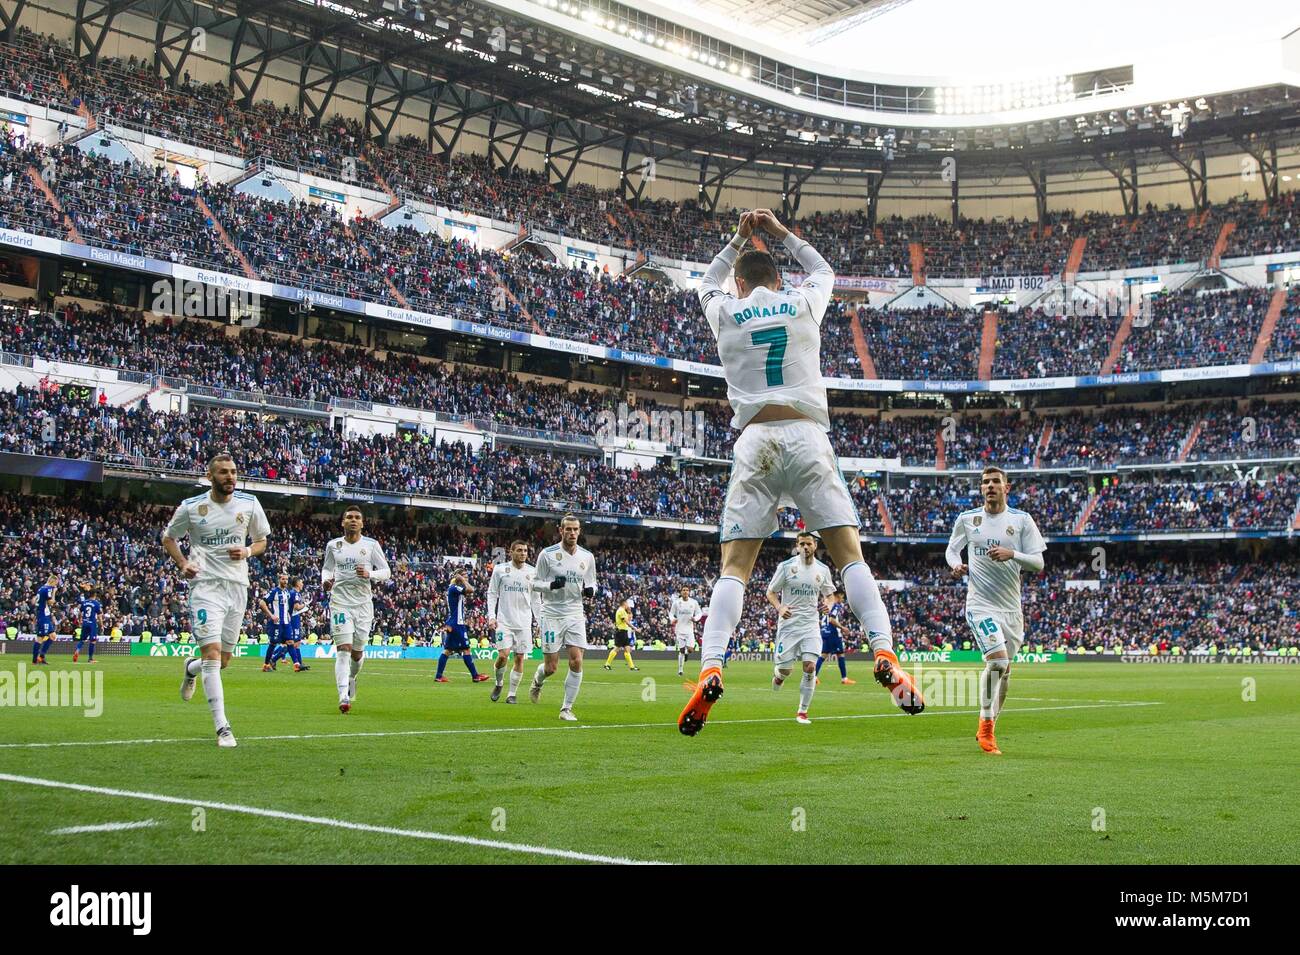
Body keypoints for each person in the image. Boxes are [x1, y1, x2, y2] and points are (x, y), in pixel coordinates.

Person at [678, 209, 923, 737]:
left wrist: (738, 238)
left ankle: (712, 667)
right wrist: (779, 231)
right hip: (807, 436)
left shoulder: (724, 310)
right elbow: (825, 269)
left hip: (756, 441)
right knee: (850, 556)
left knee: (735, 569)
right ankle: (884, 653)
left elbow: (705, 281)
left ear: (740, 283)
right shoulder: (803, 300)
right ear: (780, 279)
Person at [164, 452, 271, 748]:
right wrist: (183, 563)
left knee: (222, 661)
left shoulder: (250, 504)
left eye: (234, 472)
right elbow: (169, 537)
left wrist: (248, 551)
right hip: (205, 587)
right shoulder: (191, 507)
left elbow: (261, 540)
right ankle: (223, 728)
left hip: (237, 587)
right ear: (210, 476)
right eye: (223, 472)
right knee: (212, 655)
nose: (230, 477)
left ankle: (190, 668)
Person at [945, 466, 1047, 755]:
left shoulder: (1021, 520)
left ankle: (988, 726)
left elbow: (1038, 563)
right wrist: (955, 564)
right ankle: (986, 727)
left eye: (995, 482)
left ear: (1007, 487)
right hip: (980, 605)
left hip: (1011, 609)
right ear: (981, 488)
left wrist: (1011, 554)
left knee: (1005, 670)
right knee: (998, 663)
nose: (990, 486)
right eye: (985, 482)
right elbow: (952, 549)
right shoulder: (967, 519)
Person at [321, 505, 391, 713]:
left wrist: (370, 574)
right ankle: (344, 695)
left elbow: (386, 571)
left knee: (357, 653)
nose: (353, 520)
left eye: (357, 517)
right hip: (340, 602)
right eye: (349, 517)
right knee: (344, 649)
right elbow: (327, 568)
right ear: (342, 522)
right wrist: (326, 580)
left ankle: (351, 678)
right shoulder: (333, 545)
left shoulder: (371, 545)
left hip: (363, 605)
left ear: (362, 523)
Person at [528, 515, 597, 721]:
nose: (572, 533)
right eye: (568, 529)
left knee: (577, 661)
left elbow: (592, 581)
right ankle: (538, 680)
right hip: (551, 613)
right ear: (561, 530)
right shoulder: (547, 555)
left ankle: (566, 708)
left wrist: (591, 589)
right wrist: (551, 585)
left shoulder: (587, 557)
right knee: (551, 668)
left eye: (575, 529)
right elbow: (535, 583)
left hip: (575, 612)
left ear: (580, 531)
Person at [766, 533, 836, 724]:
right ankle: (779, 676)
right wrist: (780, 607)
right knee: (785, 670)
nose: (805, 547)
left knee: (810, 666)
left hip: (810, 625)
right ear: (797, 546)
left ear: (815, 545)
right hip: (789, 626)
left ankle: (802, 712)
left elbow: (830, 596)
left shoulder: (822, 570)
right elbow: (771, 592)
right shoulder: (786, 567)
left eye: (809, 543)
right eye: (801, 544)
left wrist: (828, 605)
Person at [487, 540, 542, 703]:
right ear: (511, 552)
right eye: (519, 550)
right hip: (504, 621)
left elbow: (536, 600)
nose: (523, 553)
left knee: (519, 658)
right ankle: (498, 683)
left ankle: (512, 694)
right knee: (503, 656)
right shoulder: (500, 570)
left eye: (525, 550)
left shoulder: (532, 573)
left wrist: (539, 621)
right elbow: (492, 593)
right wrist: (491, 616)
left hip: (524, 623)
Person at [435, 570, 488, 683]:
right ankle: (475, 676)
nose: (466, 578)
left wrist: (461, 579)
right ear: (458, 577)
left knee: (448, 650)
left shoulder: (453, 588)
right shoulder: (454, 587)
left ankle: (438, 676)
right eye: (464, 576)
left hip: (453, 622)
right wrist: (462, 580)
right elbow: (471, 589)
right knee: (466, 649)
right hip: (457, 624)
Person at [815, 591, 856, 685]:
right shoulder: (836, 606)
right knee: (840, 655)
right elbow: (832, 619)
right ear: (837, 596)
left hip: (825, 632)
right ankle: (844, 679)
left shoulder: (826, 606)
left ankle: (813, 677)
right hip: (833, 634)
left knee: (823, 655)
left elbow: (822, 620)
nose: (842, 599)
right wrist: (842, 628)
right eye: (841, 597)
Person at [668, 585, 703, 676]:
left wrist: (695, 618)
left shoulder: (693, 602)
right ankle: (680, 670)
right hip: (679, 630)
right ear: (681, 592)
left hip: (689, 630)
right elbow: (671, 613)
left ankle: (687, 653)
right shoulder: (676, 603)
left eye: (687, 590)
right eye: (683, 590)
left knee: (690, 650)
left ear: (689, 592)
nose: (685, 592)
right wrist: (673, 619)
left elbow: (699, 613)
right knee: (682, 650)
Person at [604, 597, 639, 671]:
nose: (627, 605)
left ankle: (632, 667)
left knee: (627, 649)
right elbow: (626, 621)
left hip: (624, 631)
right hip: (621, 632)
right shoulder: (621, 611)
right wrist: (634, 628)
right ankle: (607, 664)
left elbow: (628, 620)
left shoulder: (623, 611)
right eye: (627, 603)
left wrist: (629, 612)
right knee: (617, 648)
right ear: (624, 603)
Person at [71, 586, 103, 664]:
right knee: (93, 641)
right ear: (95, 594)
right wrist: (101, 625)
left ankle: (77, 651)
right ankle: (90, 658)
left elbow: (79, 612)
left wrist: (79, 619)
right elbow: (99, 615)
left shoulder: (84, 602)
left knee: (82, 640)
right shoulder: (96, 603)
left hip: (85, 623)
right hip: (92, 624)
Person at [32, 574, 58, 665]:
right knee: (45, 637)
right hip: (43, 616)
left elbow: (35, 601)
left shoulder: (41, 588)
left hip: (42, 615)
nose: (56, 585)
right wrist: (54, 592)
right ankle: (38, 658)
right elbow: (51, 602)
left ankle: (38, 658)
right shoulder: (48, 589)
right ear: (52, 581)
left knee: (47, 637)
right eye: (55, 583)